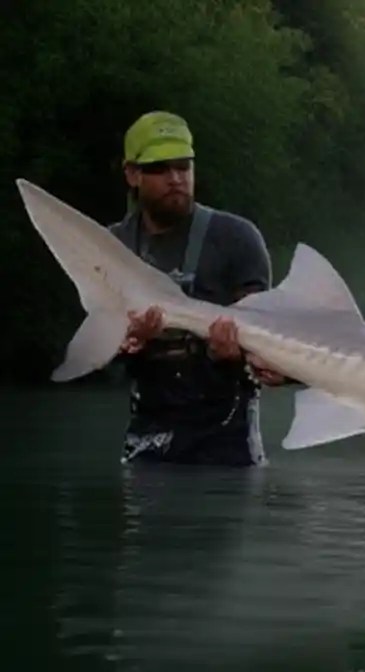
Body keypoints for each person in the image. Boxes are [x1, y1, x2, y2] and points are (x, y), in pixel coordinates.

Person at [108, 110, 277, 467]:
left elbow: (269, 344)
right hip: (147, 433)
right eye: (160, 168)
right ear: (132, 174)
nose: (176, 179)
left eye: (184, 166)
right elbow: (102, 356)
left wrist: (230, 353)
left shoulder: (236, 237)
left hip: (228, 436)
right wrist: (128, 343)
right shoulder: (112, 248)